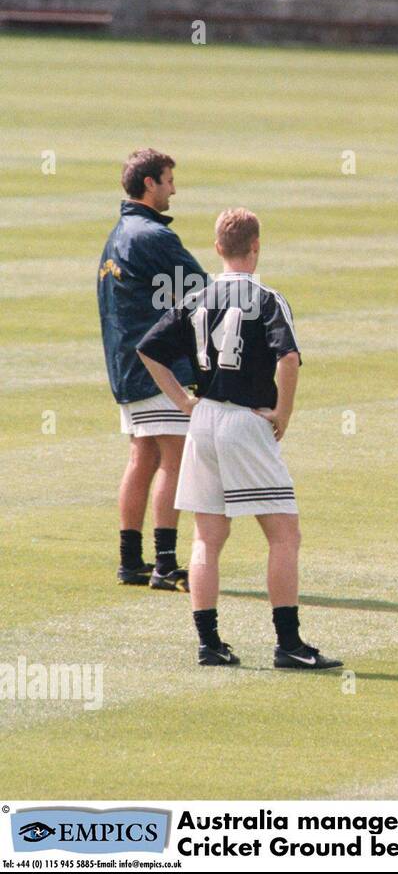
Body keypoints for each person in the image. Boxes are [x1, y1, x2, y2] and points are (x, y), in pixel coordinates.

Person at [136, 208, 340, 670]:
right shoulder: (267, 298)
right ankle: (288, 644)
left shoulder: (196, 296)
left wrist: (184, 404)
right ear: (256, 247)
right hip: (245, 422)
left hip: (203, 419)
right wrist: (283, 412)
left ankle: (210, 644)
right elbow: (288, 358)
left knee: (207, 537)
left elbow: (148, 350)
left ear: (217, 249)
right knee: (284, 534)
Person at [98, 148, 208, 590]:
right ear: (149, 184)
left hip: (128, 365)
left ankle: (130, 561)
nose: (173, 189)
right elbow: (204, 291)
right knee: (173, 457)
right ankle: (164, 564)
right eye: (168, 180)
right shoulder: (152, 237)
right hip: (158, 369)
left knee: (142, 456)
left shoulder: (119, 234)